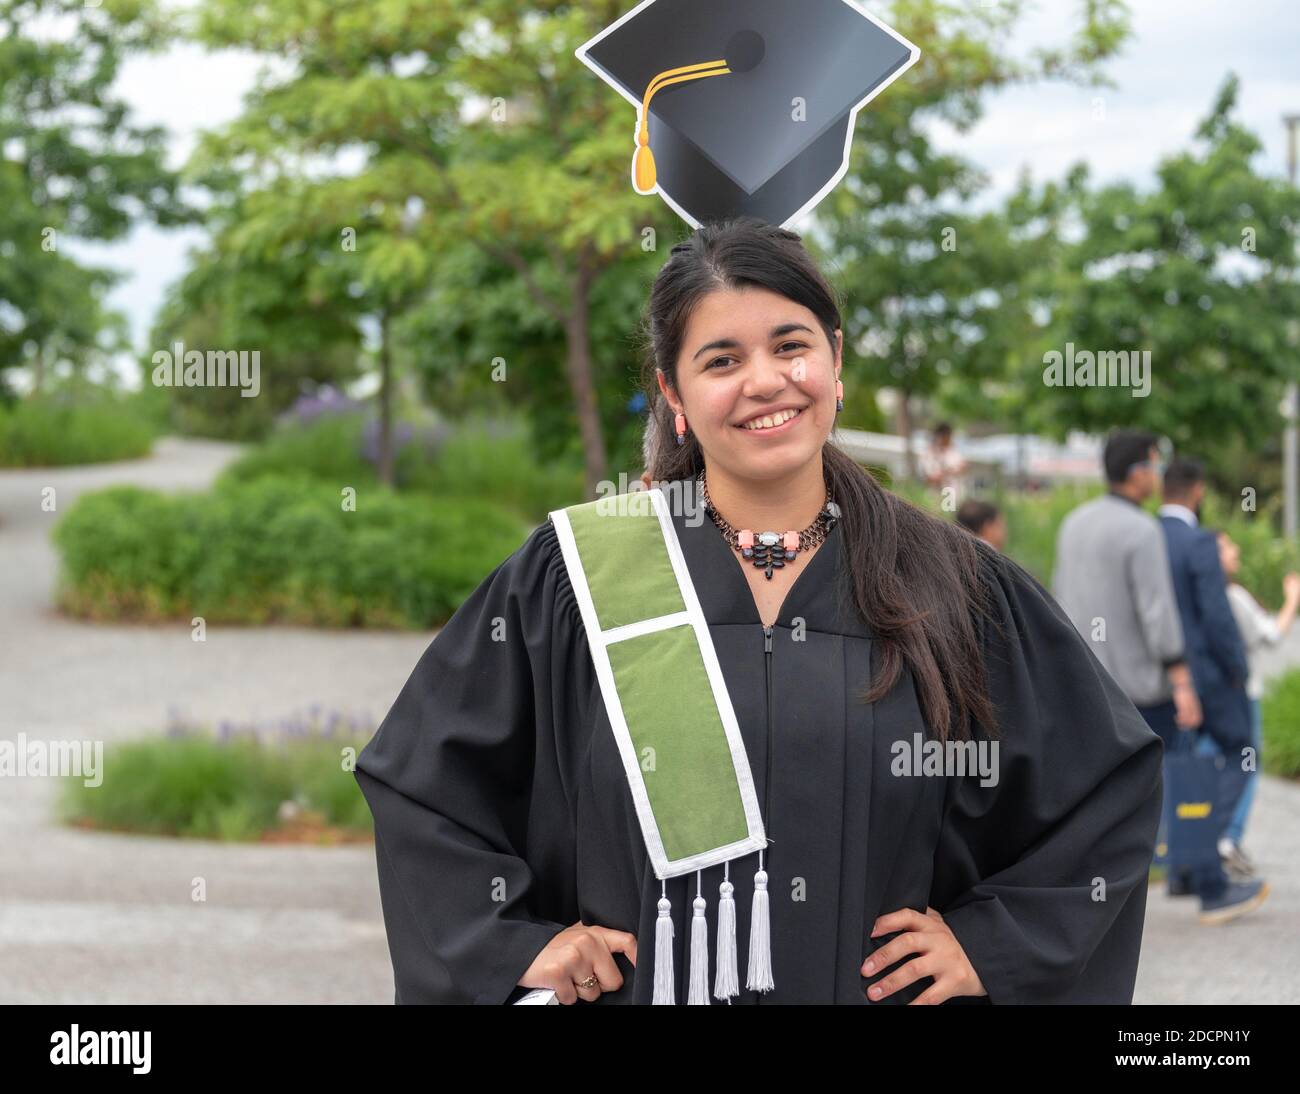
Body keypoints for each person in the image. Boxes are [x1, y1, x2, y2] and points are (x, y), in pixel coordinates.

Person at [355, 218, 1162, 1004]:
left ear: (835, 361)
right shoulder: (575, 578)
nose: (765, 381)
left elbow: (1106, 785)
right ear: (674, 392)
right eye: (721, 359)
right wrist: (510, 945)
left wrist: (994, 944)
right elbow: (423, 784)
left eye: (791, 345)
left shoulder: (951, 582)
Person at [1157, 458, 1269, 922]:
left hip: (1158, 675)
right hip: (1207, 676)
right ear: (1197, 492)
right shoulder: (1197, 541)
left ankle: (1183, 867)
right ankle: (1209, 862)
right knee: (1242, 754)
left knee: (1187, 766)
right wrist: (1237, 670)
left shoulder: (1147, 538)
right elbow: (1217, 615)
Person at [1212, 531, 1299, 877]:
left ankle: (1213, 837)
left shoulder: (1207, 597)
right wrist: (1292, 598)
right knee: (1248, 764)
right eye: (1229, 546)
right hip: (1244, 695)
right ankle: (1228, 837)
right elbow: (1271, 635)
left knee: (1219, 764)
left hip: (1214, 696)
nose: (1237, 550)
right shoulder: (1233, 597)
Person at [918, 423, 967, 497]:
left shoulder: (954, 451)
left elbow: (963, 467)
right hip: (935, 494)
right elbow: (925, 476)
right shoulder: (928, 453)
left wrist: (946, 472)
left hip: (954, 494)